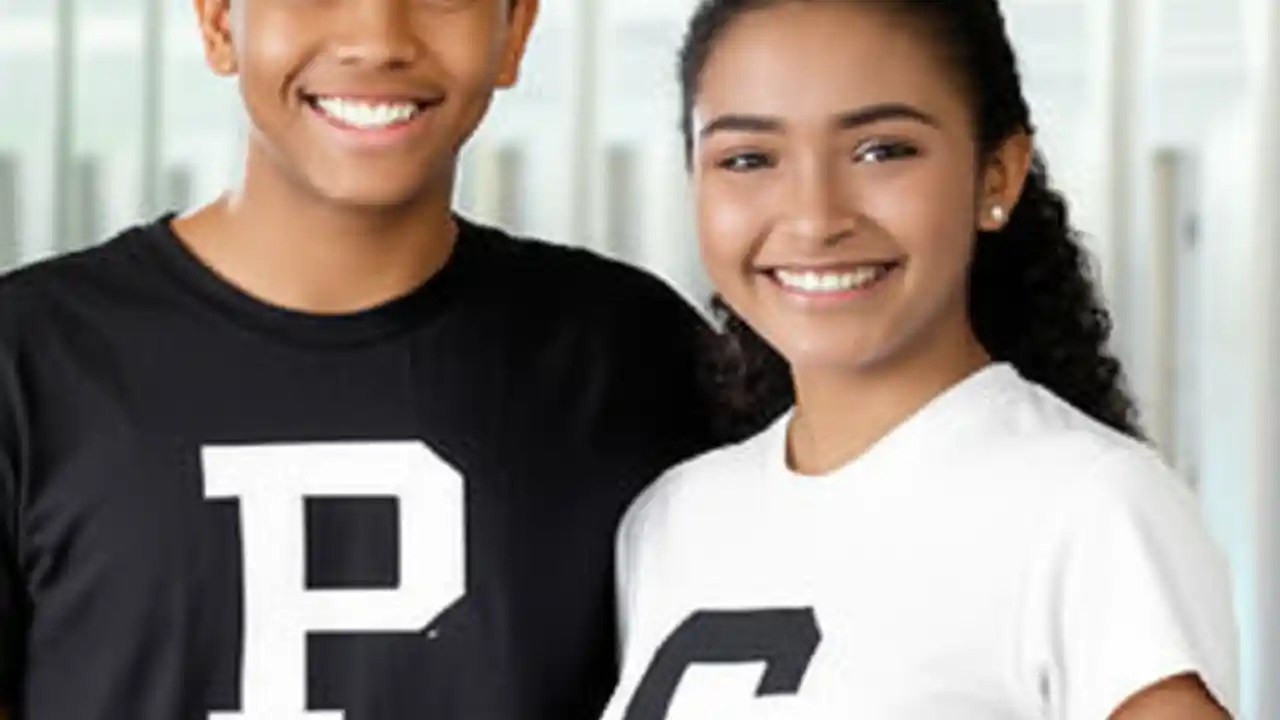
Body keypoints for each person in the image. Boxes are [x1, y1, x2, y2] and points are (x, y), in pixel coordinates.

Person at [0, 1, 722, 718]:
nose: (378, 39)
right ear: (221, 21)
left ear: (516, 31)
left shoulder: (631, 354)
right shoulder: (27, 354)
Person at [599, 1, 1239, 718]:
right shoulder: (672, 519)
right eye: (748, 159)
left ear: (997, 176)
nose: (815, 217)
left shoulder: (1092, 507)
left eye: (881, 150)